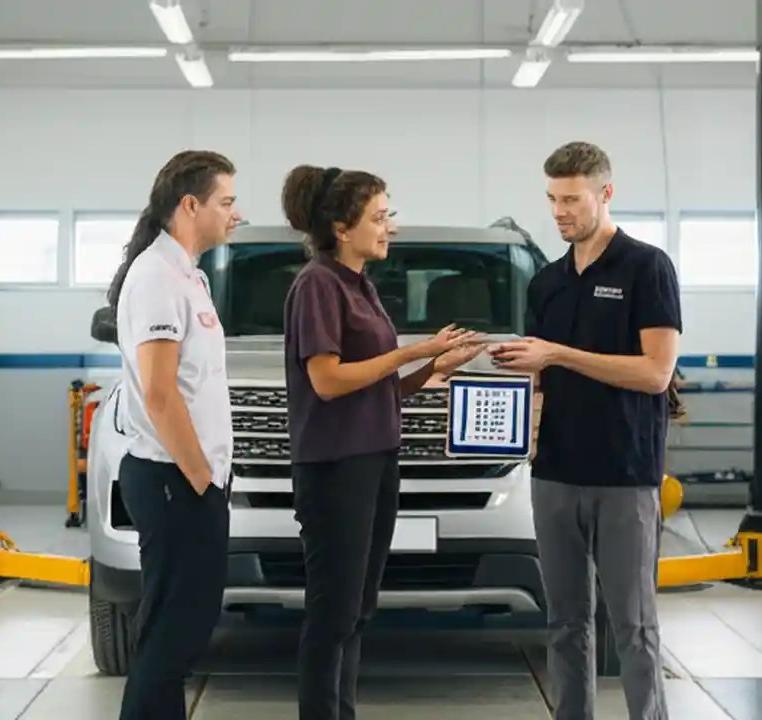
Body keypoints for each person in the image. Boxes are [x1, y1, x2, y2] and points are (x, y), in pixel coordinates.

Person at [279, 165, 483, 720]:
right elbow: (327, 380)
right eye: (379, 216)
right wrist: (411, 353)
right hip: (335, 466)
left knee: (358, 607)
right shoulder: (318, 283)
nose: (389, 226)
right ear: (342, 228)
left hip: (373, 458)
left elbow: (375, 389)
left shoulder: (360, 284)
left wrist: (433, 368)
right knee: (333, 610)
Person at [490, 141, 681, 720]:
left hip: (624, 475)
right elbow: (541, 379)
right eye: (552, 199)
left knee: (633, 625)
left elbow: (655, 373)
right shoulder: (546, 283)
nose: (559, 212)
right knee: (565, 621)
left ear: (605, 194)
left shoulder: (646, 267)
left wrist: (560, 354)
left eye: (571, 199)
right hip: (554, 474)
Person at [106, 149, 242, 720]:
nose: (235, 214)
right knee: (170, 634)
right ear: (191, 205)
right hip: (173, 479)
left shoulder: (188, 275)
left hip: (189, 479)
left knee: (182, 631)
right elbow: (160, 395)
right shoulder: (156, 278)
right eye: (226, 202)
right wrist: (202, 480)